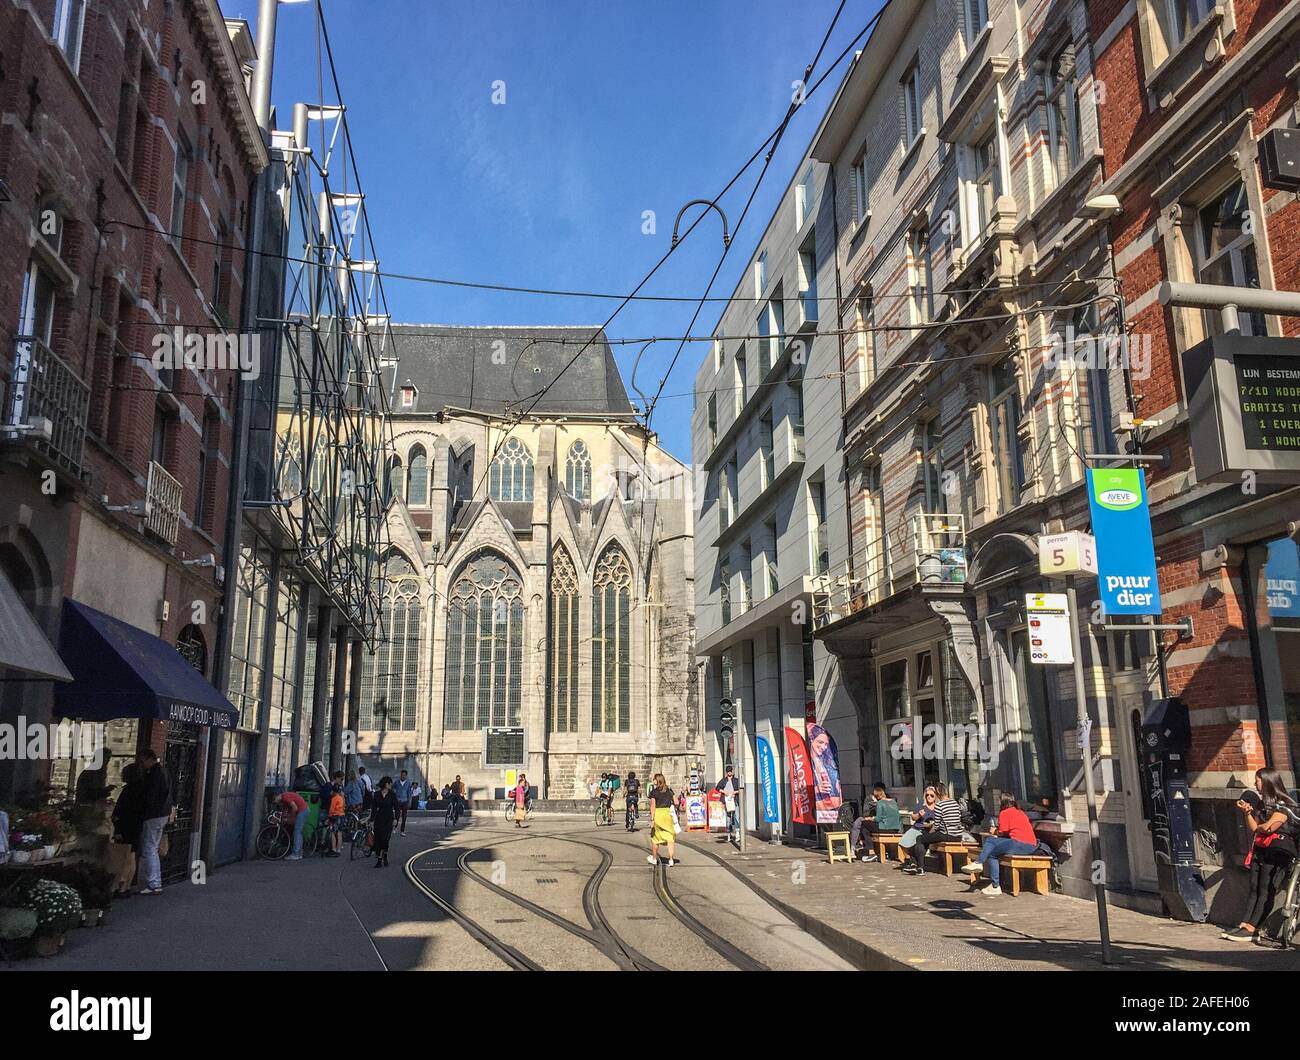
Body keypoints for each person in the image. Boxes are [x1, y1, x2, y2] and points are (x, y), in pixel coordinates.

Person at [1224, 767, 1300, 942]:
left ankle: (1254, 927)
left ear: (1266, 781)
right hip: (1262, 848)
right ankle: (1246, 923)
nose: (1254, 784)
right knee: (1254, 886)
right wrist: (1248, 813)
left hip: (1278, 850)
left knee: (1266, 887)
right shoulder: (1263, 803)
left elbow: (1268, 827)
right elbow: (1255, 828)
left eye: (1257, 780)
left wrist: (1260, 828)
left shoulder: (1283, 803)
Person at [960, 794, 1039, 894]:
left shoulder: (1005, 813)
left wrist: (994, 831)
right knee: (991, 846)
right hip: (1031, 845)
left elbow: (1002, 832)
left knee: (991, 849)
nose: (997, 802)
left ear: (1003, 802)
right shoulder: (1020, 812)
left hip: (1018, 843)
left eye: (999, 800)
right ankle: (980, 865)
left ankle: (993, 883)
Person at [135, 749, 173, 895]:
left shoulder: (154, 775)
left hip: (153, 815)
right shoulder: (164, 772)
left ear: (150, 759)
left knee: (149, 848)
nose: (142, 764)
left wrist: (145, 811)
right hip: (162, 814)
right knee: (153, 847)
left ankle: (153, 883)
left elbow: (151, 796)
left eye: (143, 761)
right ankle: (155, 881)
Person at [905, 783, 963, 876]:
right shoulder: (955, 803)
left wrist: (930, 830)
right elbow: (958, 818)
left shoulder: (940, 805)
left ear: (938, 792)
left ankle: (919, 866)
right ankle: (917, 864)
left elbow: (937, 825)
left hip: (947, 834)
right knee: (926, 839)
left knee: (920, 838)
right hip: (958, 835)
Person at [110, 761, 145, 897]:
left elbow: (120, 811)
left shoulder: (128, 790)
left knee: (124, 855)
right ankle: (127, 885)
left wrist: (117, 827)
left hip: (125, 826)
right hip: (136, 825)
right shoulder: (143, 789)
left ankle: (121, 886)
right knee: (132, 855)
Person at [851, 782, 901, 861]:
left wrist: (870, 819)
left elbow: (878, 819)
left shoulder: (880, 803)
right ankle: (872, 850)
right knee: (866, 828)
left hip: (885, 828)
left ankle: (870, 851)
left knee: (864, 824)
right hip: (896, 828)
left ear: (876, 796)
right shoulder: (893, 801)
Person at [647, 773, 677, 867]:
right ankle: (671, 860)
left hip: (658, 815)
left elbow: (653, 806)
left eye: (654, 779)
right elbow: (676, 802)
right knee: (670, 838)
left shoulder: (654, 792)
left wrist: (652, 819)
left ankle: (654, 858)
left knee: (655, 838)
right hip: (668, 815)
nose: (653, 781)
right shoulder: (669, 790)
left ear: (657, 781)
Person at [370, 776, 398, 868]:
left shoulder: (392, 795)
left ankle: (384, 856)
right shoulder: (377, 794)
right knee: (378, 839)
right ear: (386, 784)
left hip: (388, 818)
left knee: (385, 839)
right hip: (379, 817)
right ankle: (379, 859)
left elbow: (397, 808)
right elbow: (374, 808)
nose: (391, 785)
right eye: (390, 783)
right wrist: (372, 820)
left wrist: (396, 819)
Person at [278, 789, 310, 860]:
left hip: (302, 811)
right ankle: (299, 854)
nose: (275, 802)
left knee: (297, 832)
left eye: (274, 800)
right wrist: (283, 818)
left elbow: (295, 808)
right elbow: (285, 810)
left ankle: (295, 854)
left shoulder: (285, 796)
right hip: (304, 810)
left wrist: (291, 818)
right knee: (298, 832)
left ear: (276, 797)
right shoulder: (283, 800)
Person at [715, 766, 742, 842]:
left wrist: (735, 792)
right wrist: (724, 792)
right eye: (728, 772)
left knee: (736, 816)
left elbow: (740, 789)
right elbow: (717, 788)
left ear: (732, 772)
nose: (729, 773)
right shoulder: (724, 780)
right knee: (728, 818)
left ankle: (737, 833)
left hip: (735, 800)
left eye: (730, 771)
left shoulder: (736, 780)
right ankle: (728, 834)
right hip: (727, 801)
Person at [394, 769, 414, 836]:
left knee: (404, 817)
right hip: (398, 801)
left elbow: (409, 793)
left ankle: (402, 831)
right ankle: (395, 827)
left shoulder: (408, 783)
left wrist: (409, 801)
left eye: (404, 775)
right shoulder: (397, 782)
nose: (403, 776)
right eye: (402, 775)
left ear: (406, 776)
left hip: (405, 801)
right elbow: (393, 789)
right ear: (400, 775)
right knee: (397, 815)